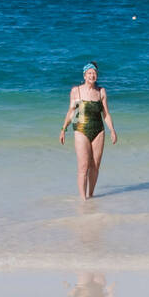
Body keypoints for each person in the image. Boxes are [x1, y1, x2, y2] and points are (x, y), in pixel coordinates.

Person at [59, 62, 117, 199]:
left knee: (95, 166)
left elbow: (106, 114)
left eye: (94, 73)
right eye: (89, 73)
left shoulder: (101, 91)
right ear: (84, 76)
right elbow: (71, 112)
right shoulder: (76, 91)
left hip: (98, 130)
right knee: (83, 166)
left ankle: (91, 195)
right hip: (80, 129)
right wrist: (63, 129)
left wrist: (112, 130)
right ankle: (83, 199)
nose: (92, 75)